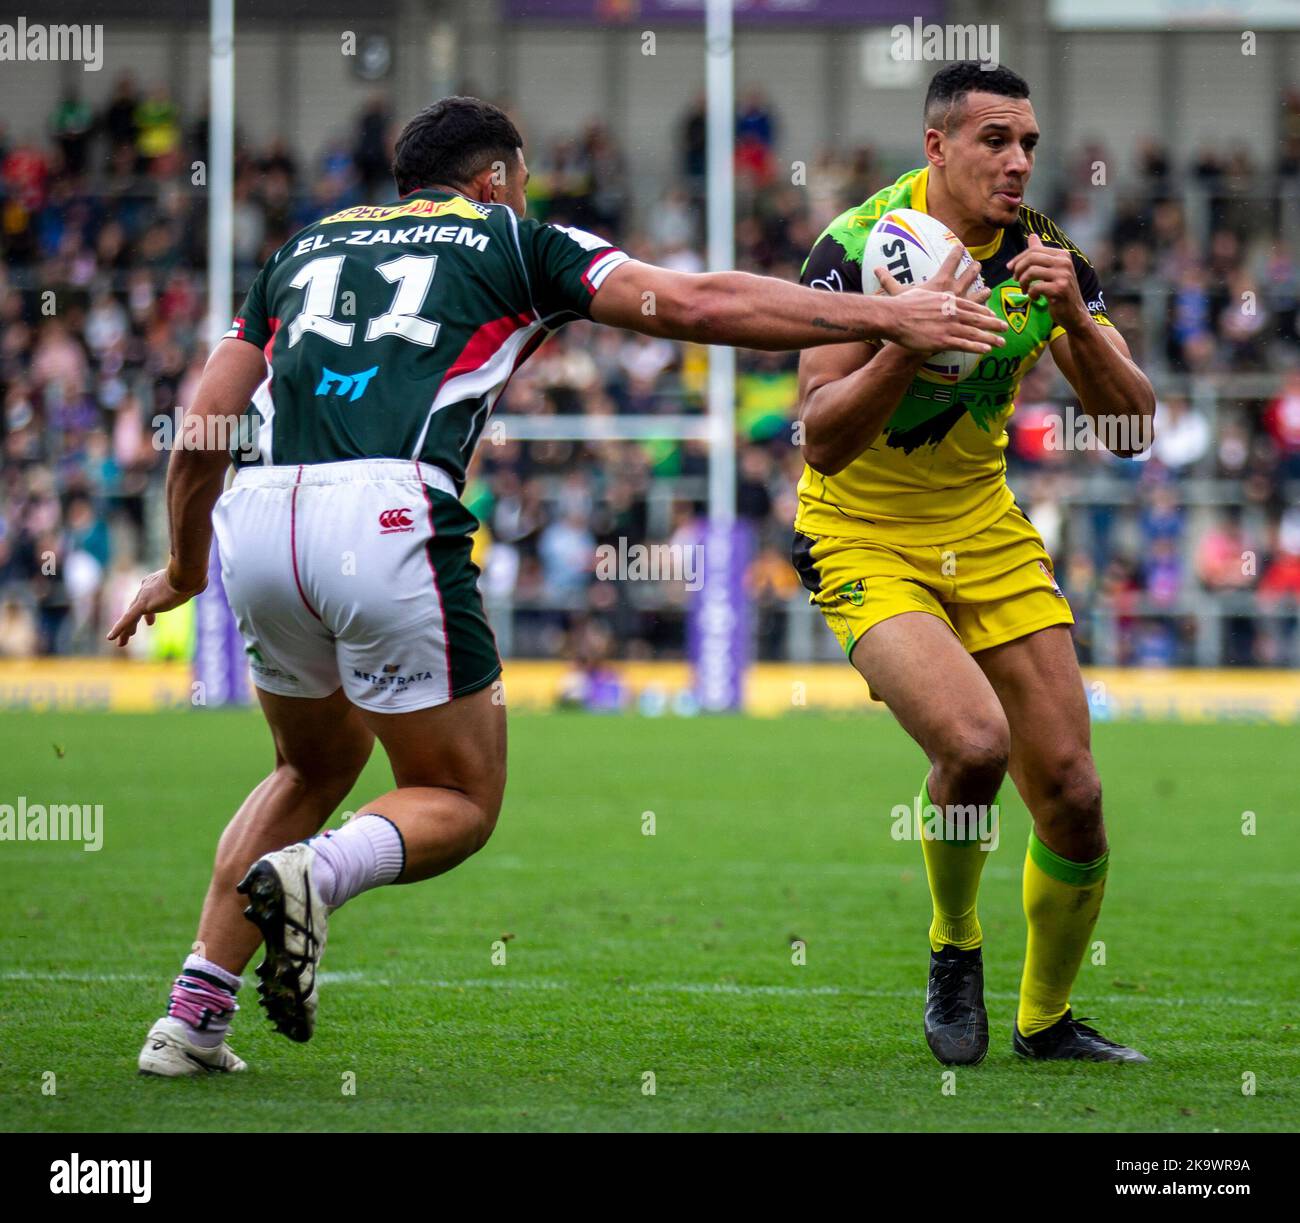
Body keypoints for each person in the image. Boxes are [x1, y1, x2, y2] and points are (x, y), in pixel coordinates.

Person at [108, 95, 1006, 1076]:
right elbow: (699, 302)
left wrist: (184, 569)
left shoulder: (305, 248)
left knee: (308, 768)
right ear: (495, 179)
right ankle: (313, 874)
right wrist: (886, 313)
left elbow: (204, 423)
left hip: (258, 514)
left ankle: (190, 1018)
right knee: (455, 793)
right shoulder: (513, 237)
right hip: (388, 507)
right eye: (522, 180)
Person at [790, 63, 1155, 1065]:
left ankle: (1046, 1018)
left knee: (1074, 792)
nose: (1019, 161)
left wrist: (1077, 315)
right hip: (860, 531)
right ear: (937, 146)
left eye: (1029, 142)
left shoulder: (1047, 252)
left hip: (985, 528)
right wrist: (904, 341)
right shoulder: (854, 247)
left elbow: (1130, 429)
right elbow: (819, 437)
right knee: (974, 741)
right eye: (995, 140)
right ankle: (954, 944)